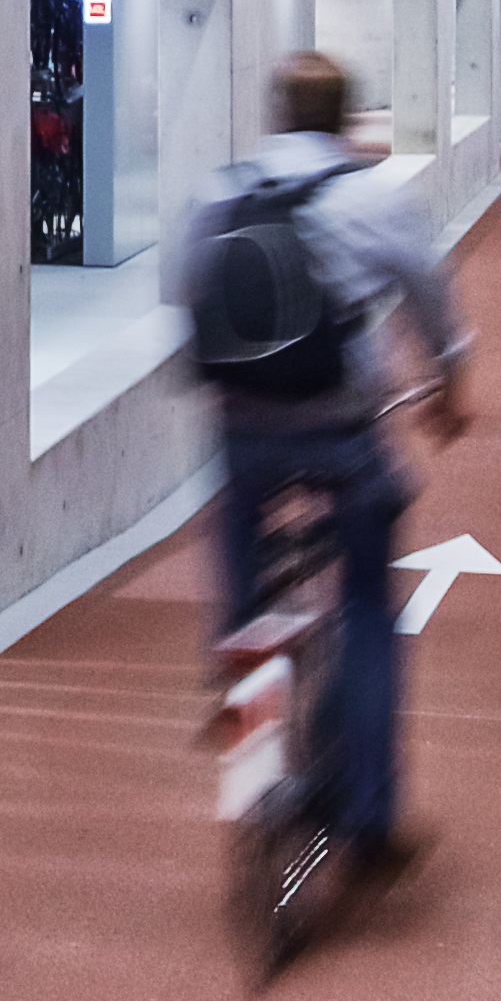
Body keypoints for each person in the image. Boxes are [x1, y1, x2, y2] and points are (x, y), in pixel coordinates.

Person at [169, 47, 472, 880]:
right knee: (370, 609)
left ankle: (238, 672)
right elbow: (433, 306)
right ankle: (368, 816)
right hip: (341, 432)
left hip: (244, 432)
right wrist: (449, 389)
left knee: (239, 565)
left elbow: (183, 298)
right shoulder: (370, 197)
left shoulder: (219, 192)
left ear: (274, 112)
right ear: (345, 119)